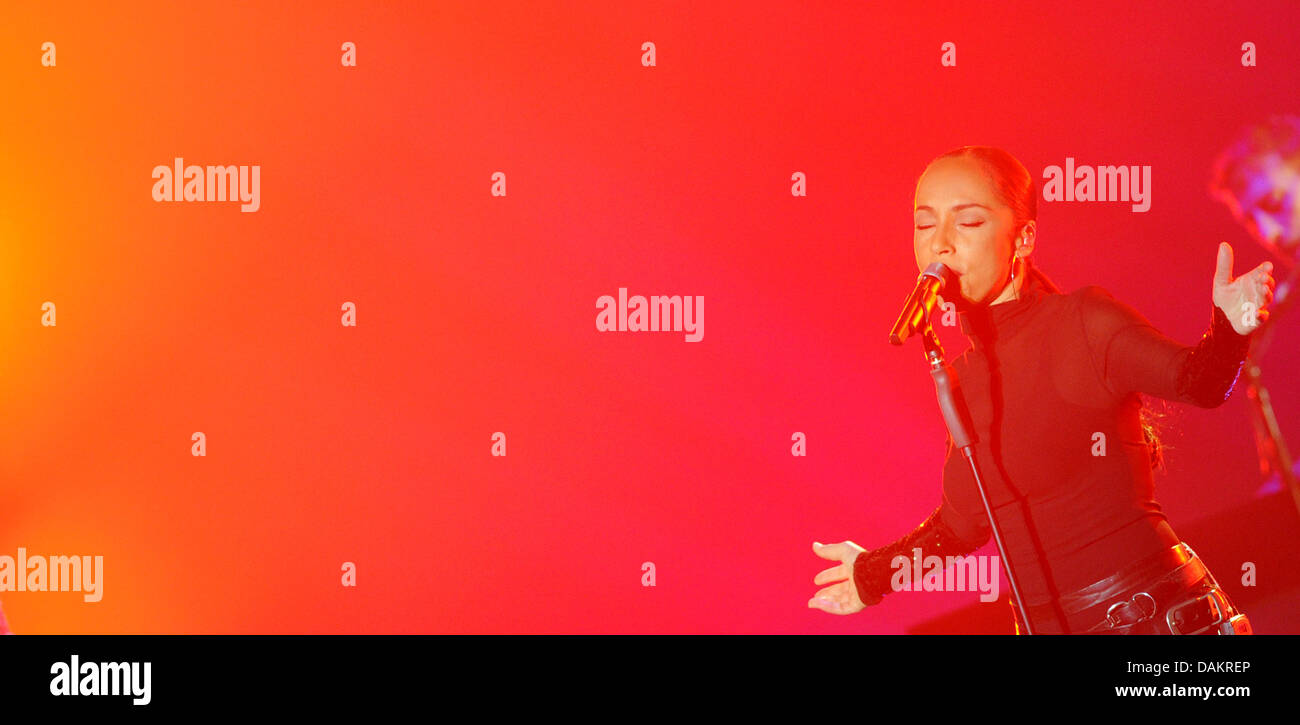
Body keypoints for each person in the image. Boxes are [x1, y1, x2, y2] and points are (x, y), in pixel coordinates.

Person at [807, 146, 1275, 633]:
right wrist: (873, 574)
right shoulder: (963, 377)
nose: (940, 244)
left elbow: (1199, 382)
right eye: (925, 225)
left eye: (967, 223)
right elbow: (964, 523)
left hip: (1150, 620)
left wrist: (1228, 328)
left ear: (1024, 238)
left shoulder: (1081, 323)